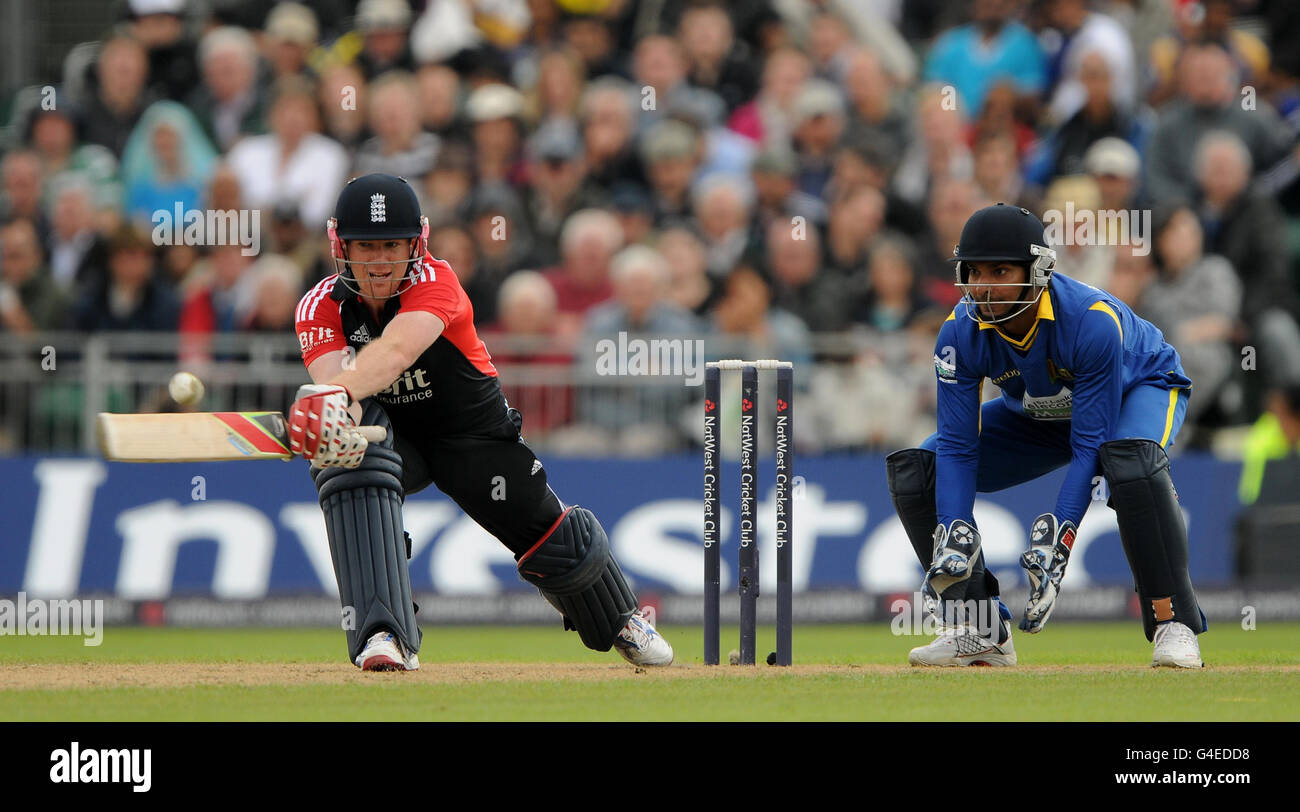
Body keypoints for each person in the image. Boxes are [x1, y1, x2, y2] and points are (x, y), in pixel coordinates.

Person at [287, 173, 673, 671]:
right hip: (394, 435)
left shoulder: (437, 282)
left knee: (545, 532)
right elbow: (344, 395)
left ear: (416, 244)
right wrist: (332, 416)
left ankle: (620, 616)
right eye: (365, 247)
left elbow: (398, 350)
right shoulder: (319, 306)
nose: (379, 260)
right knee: (347, 459)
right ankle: (384, 634)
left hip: (470, 435)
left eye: (391, 245)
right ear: (341, 245)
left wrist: (332, 395)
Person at [885, 203, 1206, 669]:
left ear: (1038, 272)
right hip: (1041, 414)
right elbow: (957, 444)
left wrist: (1062, 535)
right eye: (974, 271)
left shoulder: (1091, 322)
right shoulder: (958, 331)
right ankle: (979, 628)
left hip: (1138, 391)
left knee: (1129, 462)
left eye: (1000, 270)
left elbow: (1090, 445)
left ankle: (1171, 622)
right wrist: (953, 526)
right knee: (918, 473)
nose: (984, 286)